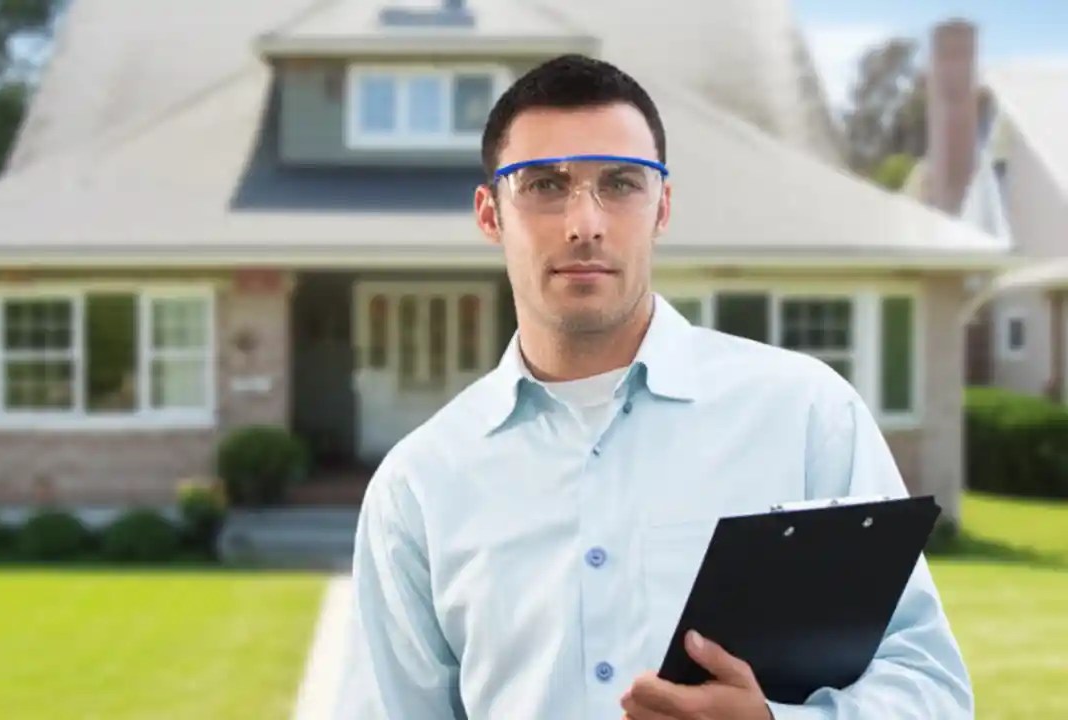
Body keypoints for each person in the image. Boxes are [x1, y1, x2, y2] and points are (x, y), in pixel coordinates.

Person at [334, 54, 972, 719]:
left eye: (620, 183)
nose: (586, 222)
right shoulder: (419, 486)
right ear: (490, 213)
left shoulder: (806, 415)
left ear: (661, 206)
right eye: (545, 185)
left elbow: (931, 689)